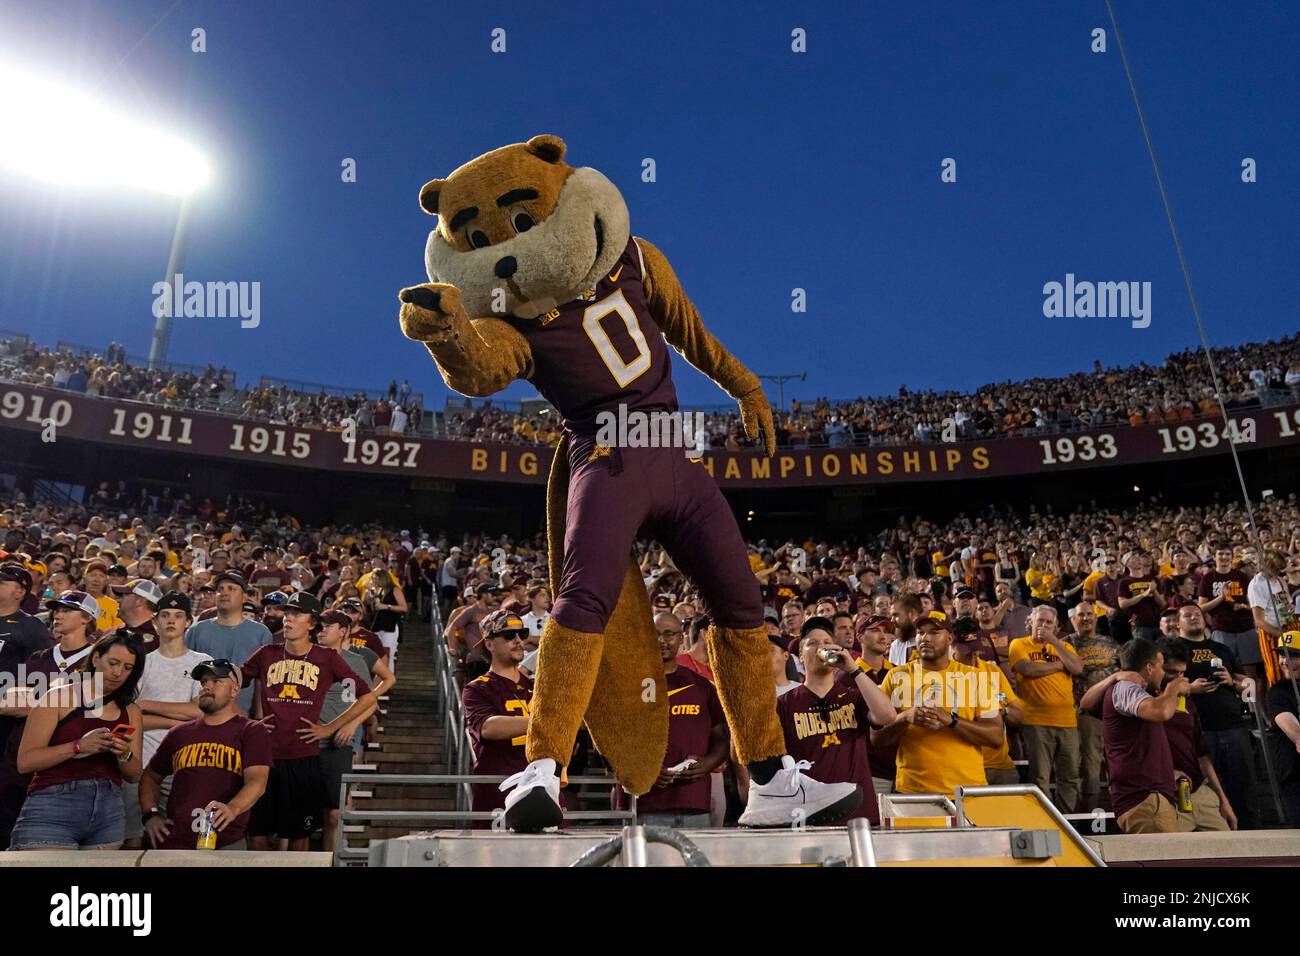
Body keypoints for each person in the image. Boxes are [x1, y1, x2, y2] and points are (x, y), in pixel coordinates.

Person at [240, 591, 375, 851]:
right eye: (287, 613)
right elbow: (232, 683)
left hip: (303, 759)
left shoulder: (327, 658)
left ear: (312, 624)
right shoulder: (266, 653)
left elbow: (367, 697)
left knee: (299, 837)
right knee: (256, 835)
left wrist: (331, 727)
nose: (288, 619)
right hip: (263, 759)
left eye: (296, 614)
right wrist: (247, 724)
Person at [9, 631, 145, 850]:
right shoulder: (58, 696)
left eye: (128, 668)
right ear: (95, 658)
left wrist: (123, 754)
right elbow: (25, 761)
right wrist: (78, 746)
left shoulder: (130, 710)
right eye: (113, 663)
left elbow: (134, 774)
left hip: (109, 809)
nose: (118, 672)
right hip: (54, 803)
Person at [140, 660, 273, 850]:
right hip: (176, 841)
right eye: (203, 682)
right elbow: (151, 776)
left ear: (234, 690)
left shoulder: (251, 731)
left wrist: (233, 808)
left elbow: (257, 781)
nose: (206, 687)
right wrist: (150, 815)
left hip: (225, 841)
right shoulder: (180, 733)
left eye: (216, 681)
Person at [775, 617, 896, 823]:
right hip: (807, 813)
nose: (821, 647)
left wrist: (853, 669)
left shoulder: (853, 697)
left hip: (857, 811)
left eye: (826, 643)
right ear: (800, 656)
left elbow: (888, 716)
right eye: (812, 643)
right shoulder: (784, 704)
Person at [616, 613, 728, 828]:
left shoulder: (701, 685)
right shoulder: (627, 683)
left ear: (681, 638)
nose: (661, 640)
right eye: (654, 634)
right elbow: (611, 742)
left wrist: (708, 763)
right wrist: (643, 770)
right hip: (643, 803)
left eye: (669, 634)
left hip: (693, 802)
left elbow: (721, 736)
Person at [876, 617, 1004, 795]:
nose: (925, 638)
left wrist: (952, 721)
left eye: (934, 632)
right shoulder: (895, 676)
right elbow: (876, 739)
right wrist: (905, 718)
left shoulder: (976, 678)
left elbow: (996, 737)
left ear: (950, 639)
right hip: (912, 791)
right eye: (921, 633)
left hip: (967, 790)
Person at [122, 592, 209, 848]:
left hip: (183, 763)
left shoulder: (201, 662)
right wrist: (174, 721)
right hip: (139, 761)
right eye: (165, 616)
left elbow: (200, 712)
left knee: (176, 839)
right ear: (155, 622)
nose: (171, 621)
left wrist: (147, 706)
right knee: (132, 840)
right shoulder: (141, 664)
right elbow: (130, 717)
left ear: (188, 622)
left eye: (178, 616)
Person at [1080, 638, 1189, 834]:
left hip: (1146, 798)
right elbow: (1161, 712)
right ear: (1149, 668)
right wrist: (1173, 689)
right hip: (1145, 800)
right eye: (1161, 667)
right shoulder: (1126, 688)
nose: (1164, 673)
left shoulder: (1129, 690)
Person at [1173, 603, 1256, 830]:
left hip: (1232, 724)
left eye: (1197, 615)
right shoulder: (1173, 648)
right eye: (1187, 615)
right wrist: (1191, 688)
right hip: (1196, 728)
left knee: (1242, 784)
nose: (1193, 618)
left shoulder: (1222, 648)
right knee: (1204, 786)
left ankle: (1249, 832)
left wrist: (1232, 682)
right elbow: (1163, 684)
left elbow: (1250, 685)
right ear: (1178, 623)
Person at [317, 608, 392, 851]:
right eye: (320, 625)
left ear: (343, 631)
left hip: (339, 739)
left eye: (328, 626)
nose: (322, 630)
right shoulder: (307, 657)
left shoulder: (358, 659)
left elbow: (369, 699)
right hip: (305, 738)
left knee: (333, 813)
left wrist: (351, 724)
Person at [462, 610, 540, 825]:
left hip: (542, 789)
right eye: (508, 635)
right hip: (499, 794)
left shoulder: (538, 687)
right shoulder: (476, 689)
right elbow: (488, 728)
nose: (518, 641)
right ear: (489, 644)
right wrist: (544, 723)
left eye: (522, 634)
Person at [1156, 639, 1235, 832]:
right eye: (1172, 672)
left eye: (1182, 673)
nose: (1179, 678)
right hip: (1165, 795)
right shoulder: (1142, 702)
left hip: (1199, 792)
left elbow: (1202, 755)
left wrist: (1223, 800)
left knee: (1229, 851)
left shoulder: (1187, 703)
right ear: (1156, 667)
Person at [1008, 605, 1082, 812]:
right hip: (1036, 721)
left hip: (1067, 721)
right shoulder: (1019, 644)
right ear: (1030, 622)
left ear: (1056, 626)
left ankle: (1067, 822)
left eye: (1049, 622)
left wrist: (1054, 641)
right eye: (1040, 621)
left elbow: (1077, 668)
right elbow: (1028, 669)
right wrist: (1059, 666)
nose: (1044, 625)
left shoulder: (1063, 647)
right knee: (1040, 777)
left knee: (1070, 776)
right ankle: (1047, 819)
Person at [186, 572, 273, 714]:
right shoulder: (197, 630)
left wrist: (259, 716)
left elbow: (262, 681)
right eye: (220, 589)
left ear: (244, 596)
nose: (224, 593)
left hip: (243, 716)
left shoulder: (261, 633)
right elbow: (185, 674)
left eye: (231, 588)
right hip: (201, 713)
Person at [1068, 601, 1119, 813]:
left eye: (1089, 614)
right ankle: (1089, 814)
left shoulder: (1110, 643)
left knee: (1116, 762)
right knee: (1089, 765)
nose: (1086, 618)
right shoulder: (1066, 644)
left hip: (1113, 709)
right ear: (1073, 620)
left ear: (1096, 618)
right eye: (1081, 615)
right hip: (1085, 711)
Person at [1263, 632, 1300, 826]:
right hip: (1294, 775)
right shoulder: (1277, 692)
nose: (1285, 661)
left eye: (1293, 656)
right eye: (1282, 655)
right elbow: (1289, 724)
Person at [887, 593, 923, 665]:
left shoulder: (935, 642)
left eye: (896, 615)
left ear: (912, 614)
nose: (892, 620)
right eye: (891, 616)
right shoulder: (895, 645)